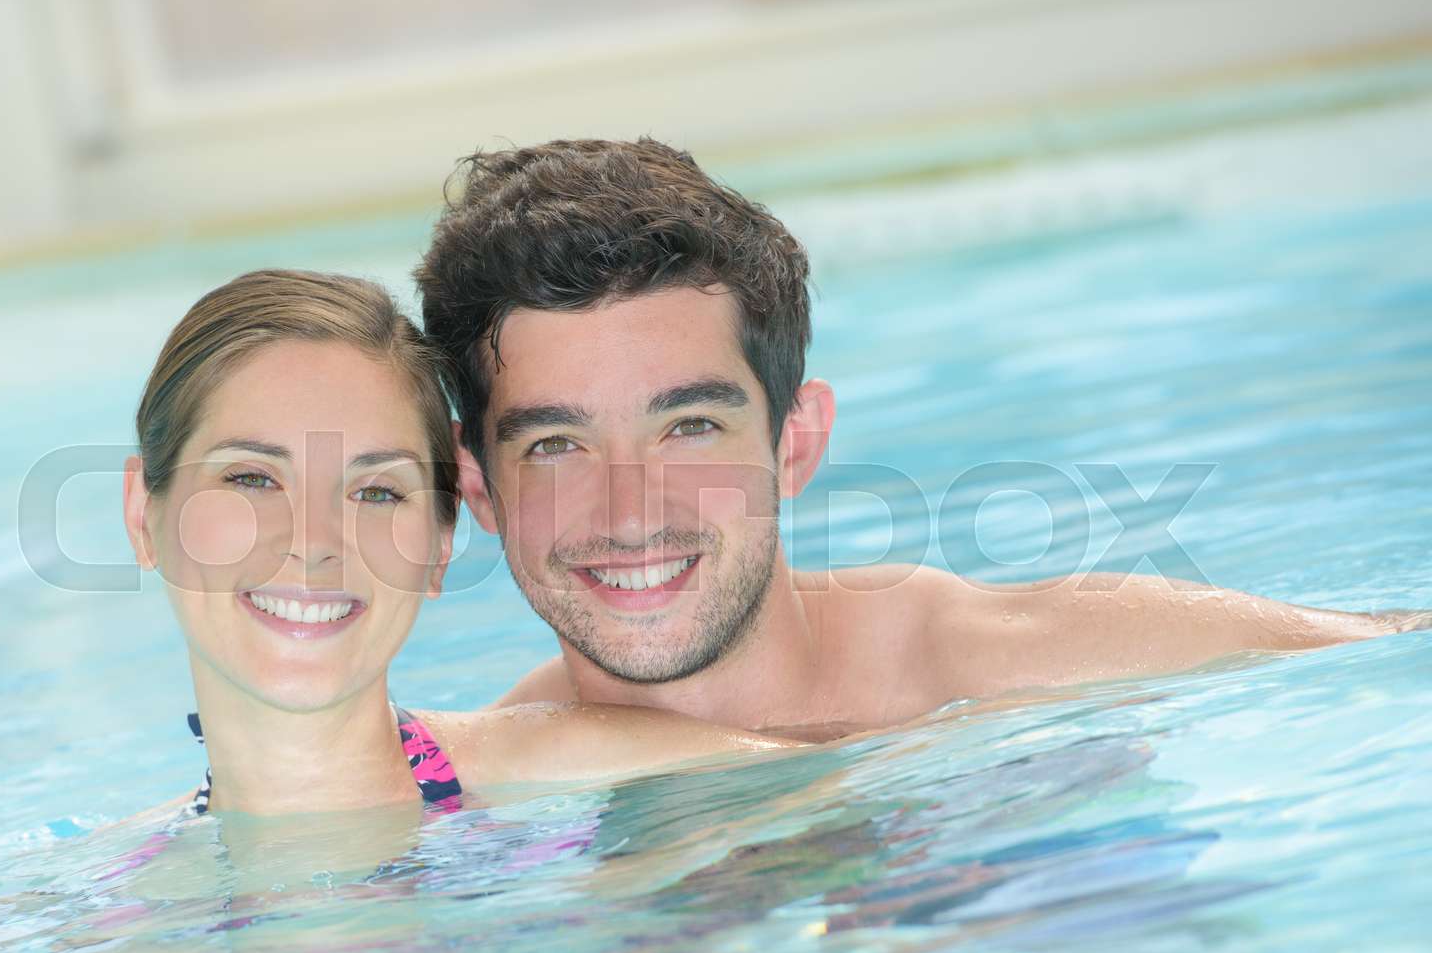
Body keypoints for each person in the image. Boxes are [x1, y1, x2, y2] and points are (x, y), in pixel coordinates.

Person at [412, 137, 1427, 736]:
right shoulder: (491, 787)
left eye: (690, 426)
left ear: (795, 445)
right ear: (477, 485)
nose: (630, 509)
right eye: (557, 446)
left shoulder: (1030, 664)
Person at [121, 268, 794, 817]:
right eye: (252, 478)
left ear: (440, 545)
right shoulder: (105, 910)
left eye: (376, 492)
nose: (313, 544)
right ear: (142, 516)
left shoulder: (605, 774)